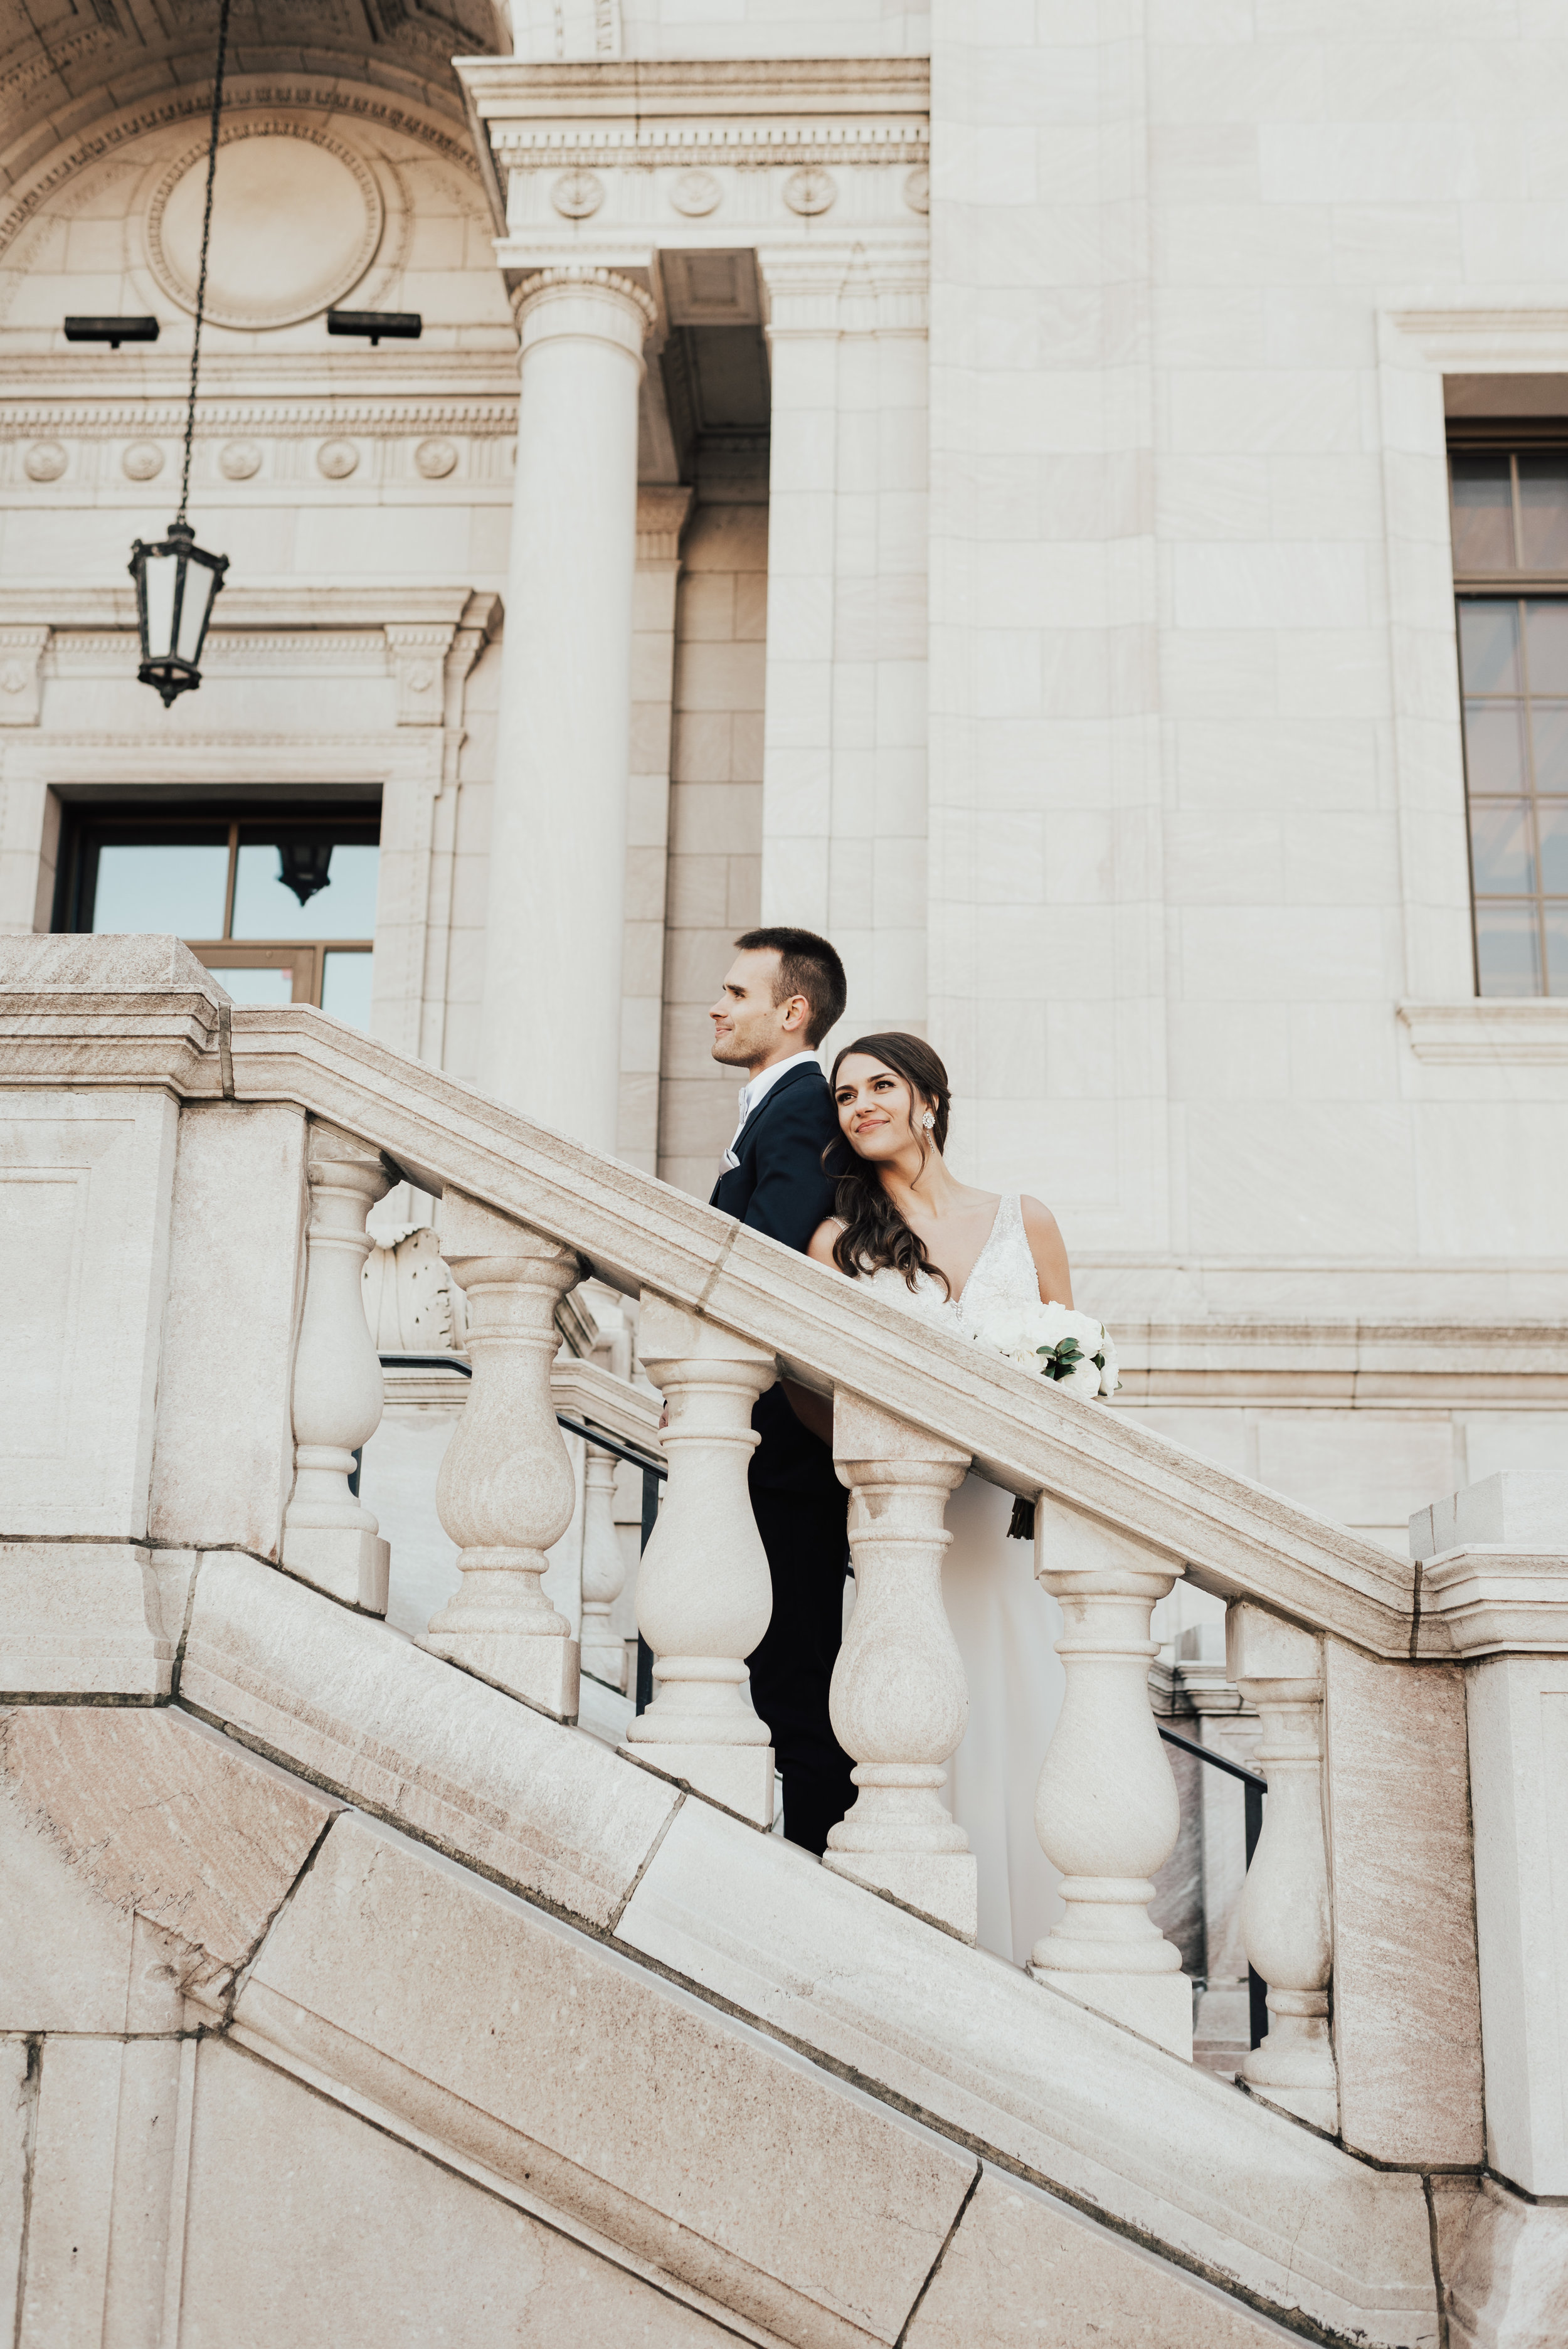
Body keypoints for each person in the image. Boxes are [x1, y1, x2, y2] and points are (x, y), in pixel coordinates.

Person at [806, 1031, 1073, 1965]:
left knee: (1023, 1708)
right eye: (845, 1096)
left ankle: (1032, 1949)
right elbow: (813, 1388)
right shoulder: (838, 1244)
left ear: (928, 1099)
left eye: (880, 1084)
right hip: (903, 1522)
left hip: (1003, 1527)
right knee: (913, 1712)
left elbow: (1075, 1373)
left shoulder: (1024, 1220)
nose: (861, 1103)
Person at [707, 926, 856, 1856]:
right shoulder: (777, 1107)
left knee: (796, 1682)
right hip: (763, 1442)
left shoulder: (799, 1107)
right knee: (778, 1676)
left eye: (734, 991)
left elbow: (762, 1263)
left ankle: (817, 1875)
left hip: (788, 1451)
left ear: (791, 1010)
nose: (716, 1006)